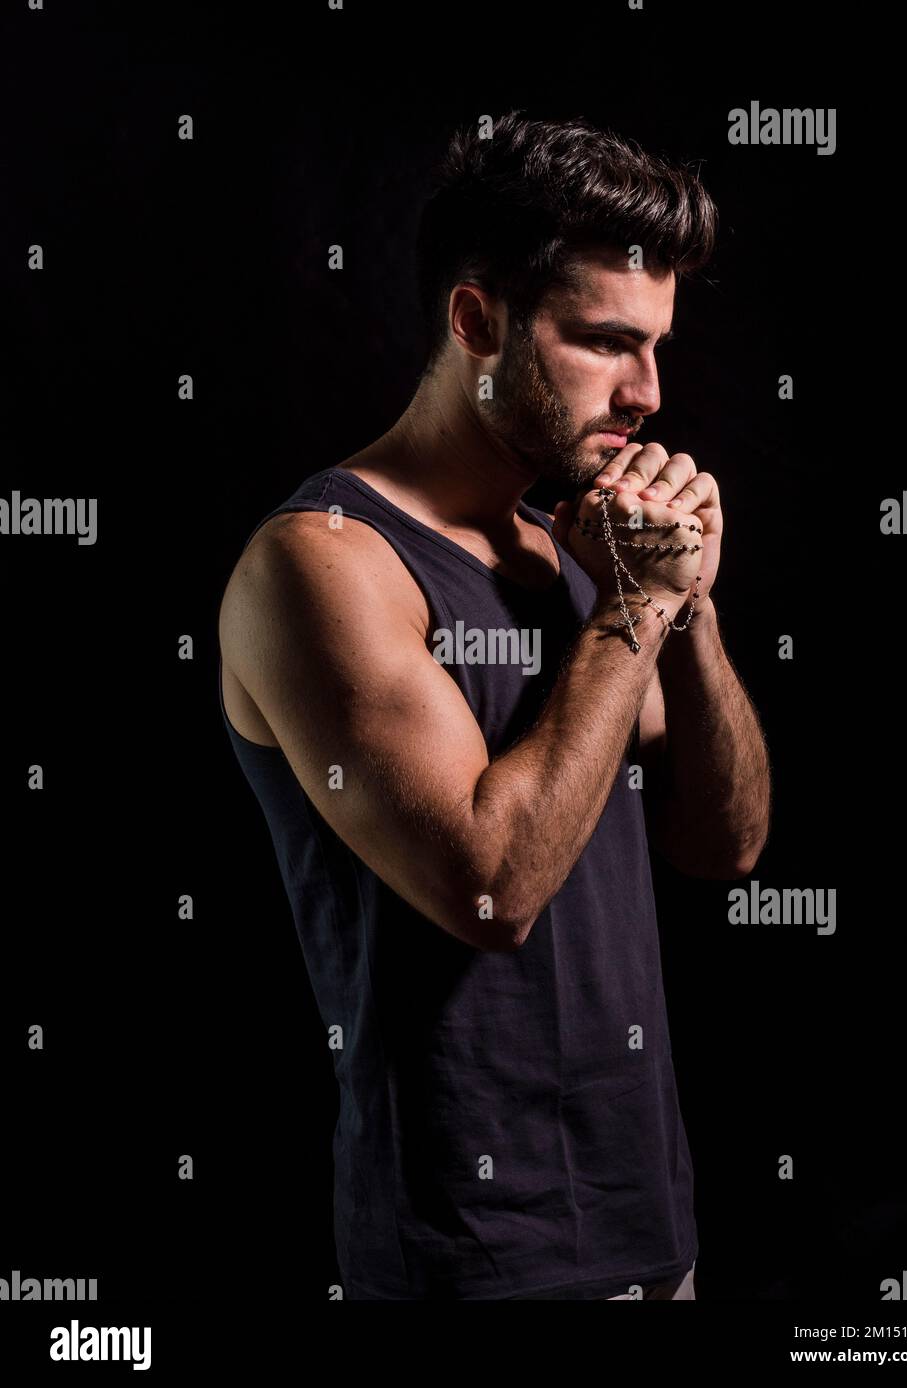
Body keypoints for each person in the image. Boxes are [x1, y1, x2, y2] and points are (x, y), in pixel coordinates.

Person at [218, 109, 770, 1300]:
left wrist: (690, 606)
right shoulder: (323, 563)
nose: (649, 391)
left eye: (659, 345)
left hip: (653, 1227)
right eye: (605, 342)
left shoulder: (580, 544)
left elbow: (725, 844)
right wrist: (635, 601)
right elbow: (491, 885)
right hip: (468, 1259)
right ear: (478, 320)